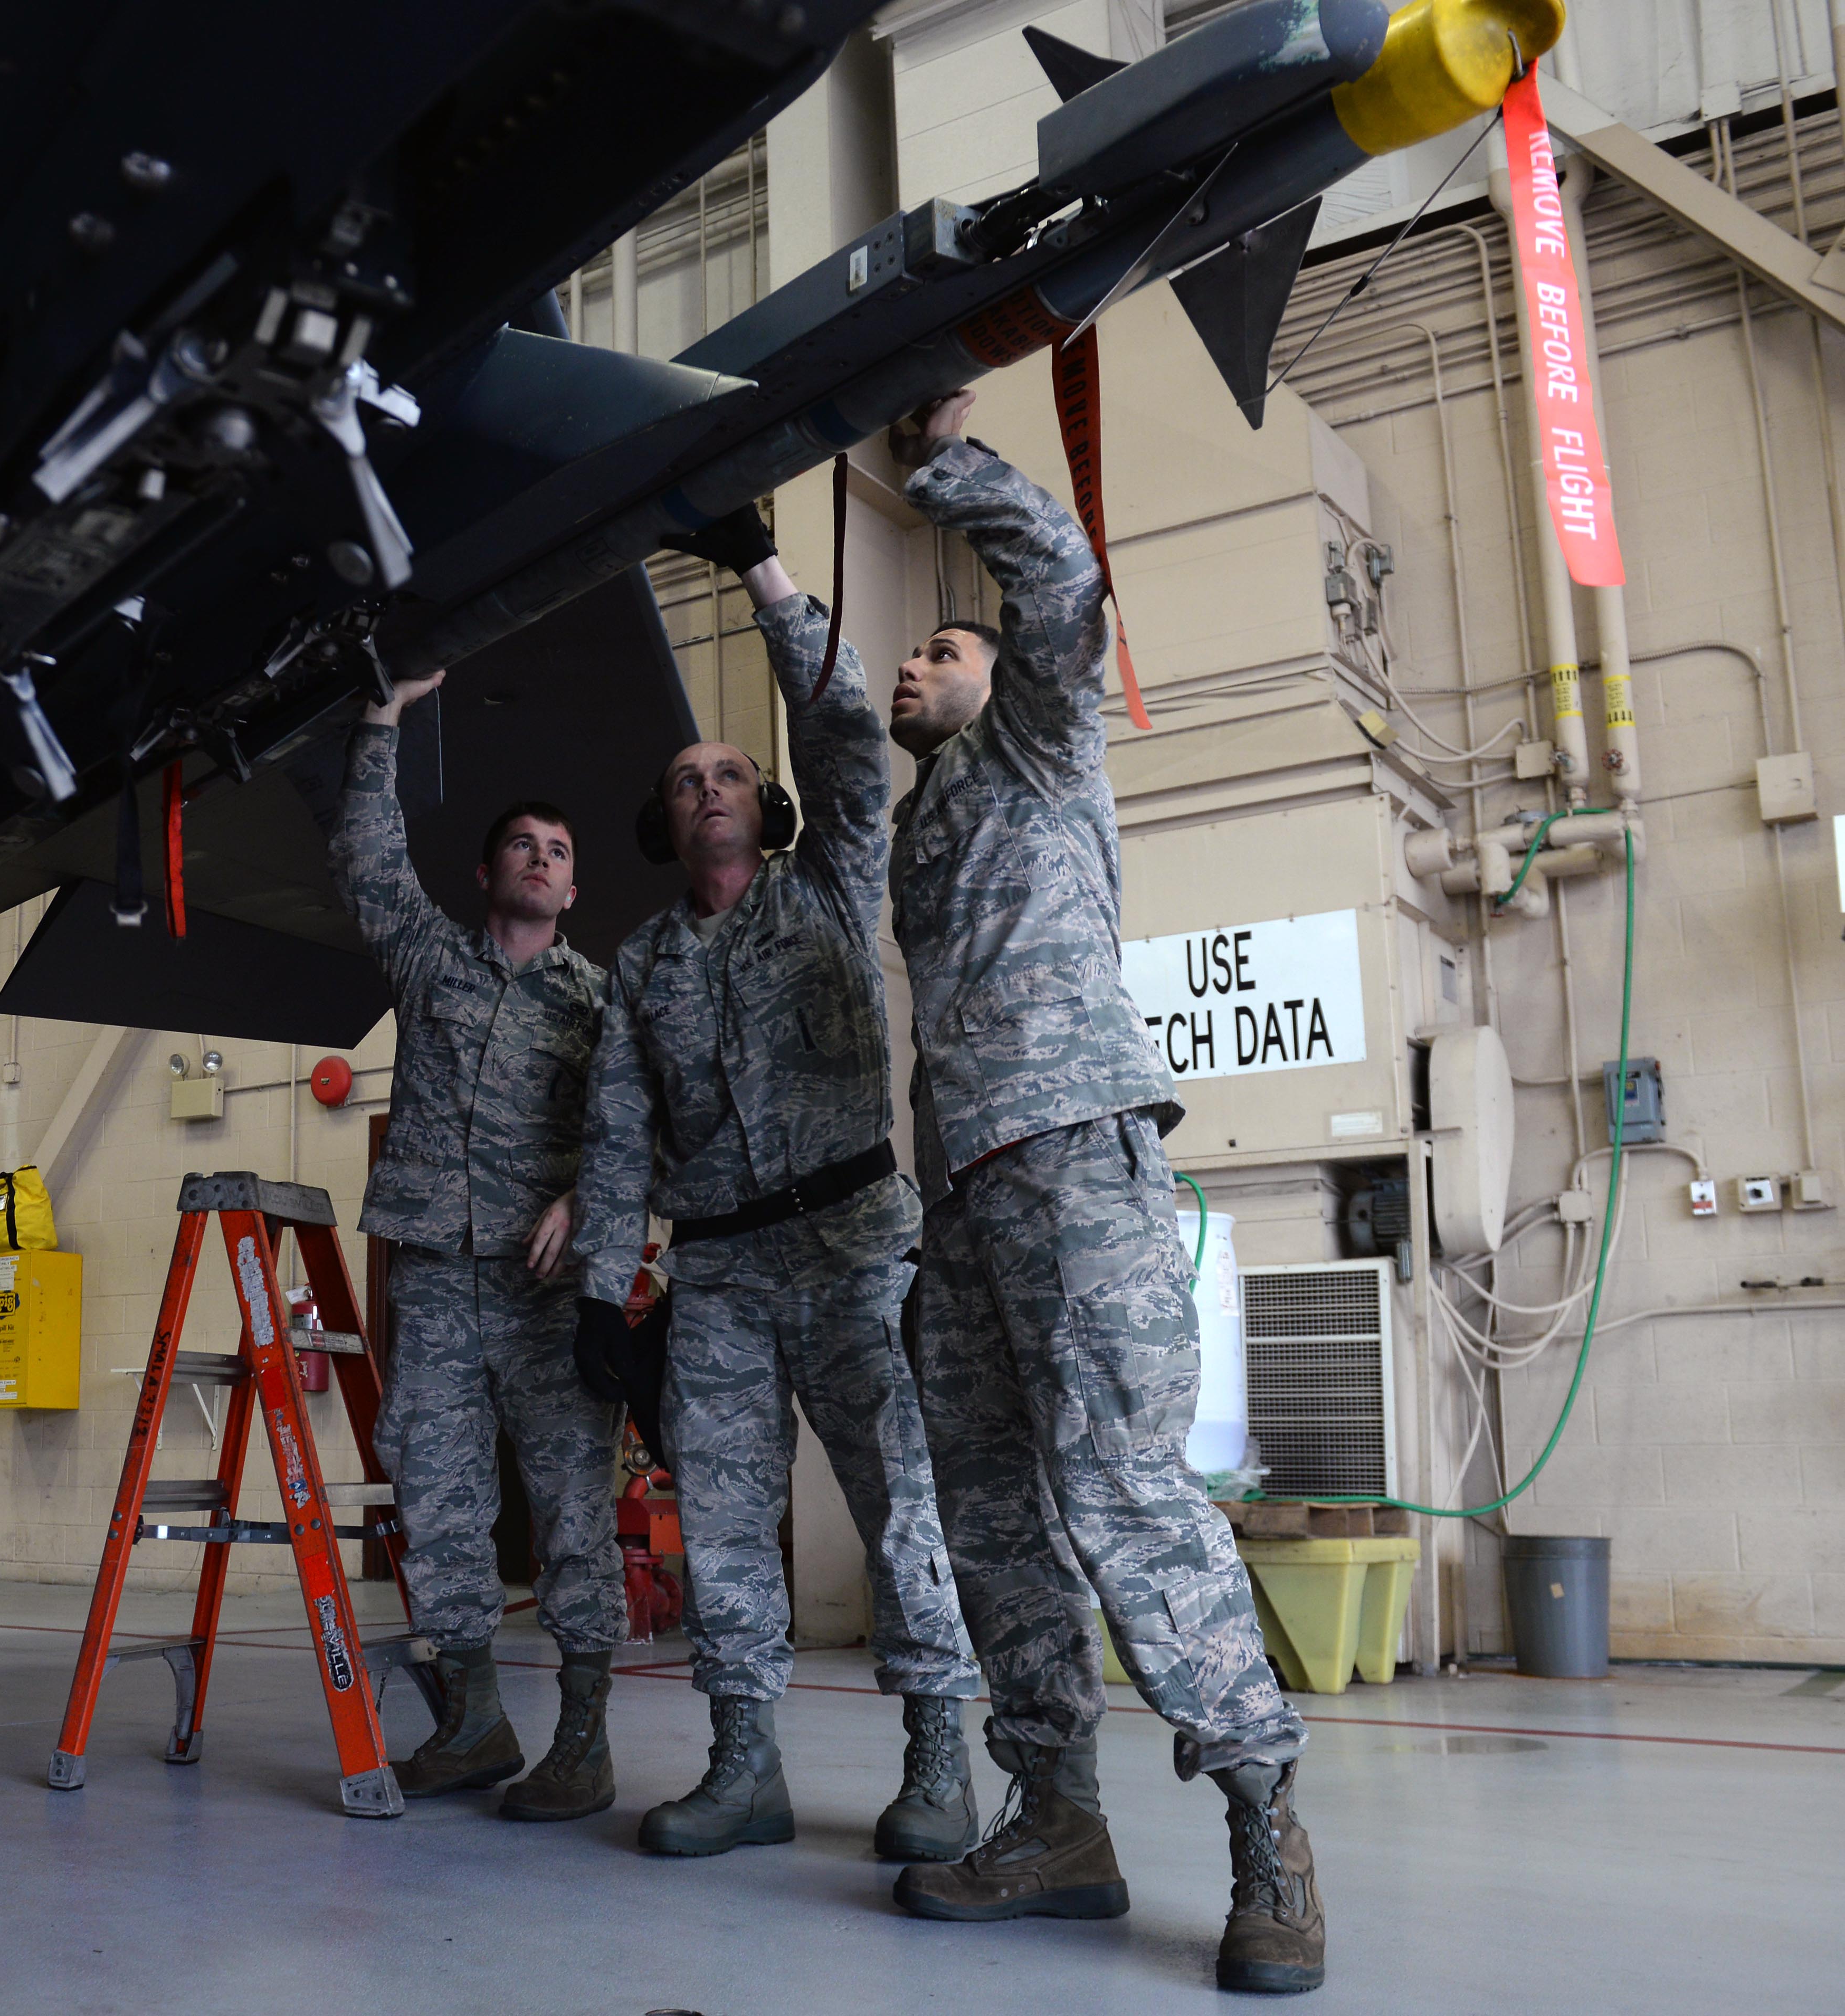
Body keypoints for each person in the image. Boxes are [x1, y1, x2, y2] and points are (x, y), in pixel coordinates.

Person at [880, 389, 1321, 1996]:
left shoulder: (1045, 745)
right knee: (991, 1523)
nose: (910, 670)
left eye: (937, 650)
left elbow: (1060, 586)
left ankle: (1267, 1832)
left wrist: (944, 452)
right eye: (906, 660)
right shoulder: (919, 835)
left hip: (1076, 1160)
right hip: (966, 1201)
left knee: (1126, 1495)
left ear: (998, 678)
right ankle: (1056, 1818)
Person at [572, 505, 982, 1862]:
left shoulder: (829, 880)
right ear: (664, 819)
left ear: (769, 801)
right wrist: (603, 1286)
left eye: (730, 771)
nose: (706, 787)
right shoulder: (641, 967)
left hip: (859, 1241)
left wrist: (764, 576)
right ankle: (745, 1766)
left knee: (903, 1502)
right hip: (725, 1275)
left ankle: (941, 1763)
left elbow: (854, 741)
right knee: (730, 1519)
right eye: (684, 777)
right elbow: (621, 1131)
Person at [332, 670, 626, 1822]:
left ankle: (587, 1740)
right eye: (522, 843)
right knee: (438, 1494)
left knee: (571, 1509)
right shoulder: (430, 961)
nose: (543, 858)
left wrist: (588, 1204)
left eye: (559, 848)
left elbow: (637, 1126)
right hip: (438, 1279)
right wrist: (379, 723)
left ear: (574, 879)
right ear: (488, 872)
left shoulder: (599, 1001)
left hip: (546, 1289)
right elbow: (367, 856)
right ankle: (472, 1720)